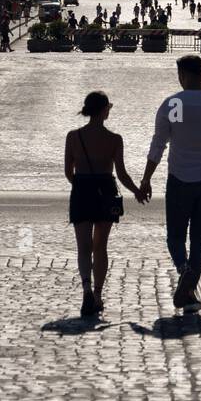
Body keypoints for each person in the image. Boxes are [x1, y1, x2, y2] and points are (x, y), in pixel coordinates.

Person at [138, 54, 201, 313]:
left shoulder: (175, 105)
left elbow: (159, 143)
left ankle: (184, 273)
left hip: (180, 179)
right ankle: (189, 289)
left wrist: (147, 178)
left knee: (175, 236)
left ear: (184, 75)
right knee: (200, 238)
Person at [65, 91, 145, 318]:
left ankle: (87, 289)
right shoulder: (114, 139)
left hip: (81, 189)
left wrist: (82, 186)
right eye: (108, 107)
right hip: (105, 190)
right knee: (100, 246)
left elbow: (67, 172)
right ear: (103, 110)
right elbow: (121, 173)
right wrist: (137, 191)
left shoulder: (73, 137)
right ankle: (98, 296)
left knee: (83, 246)